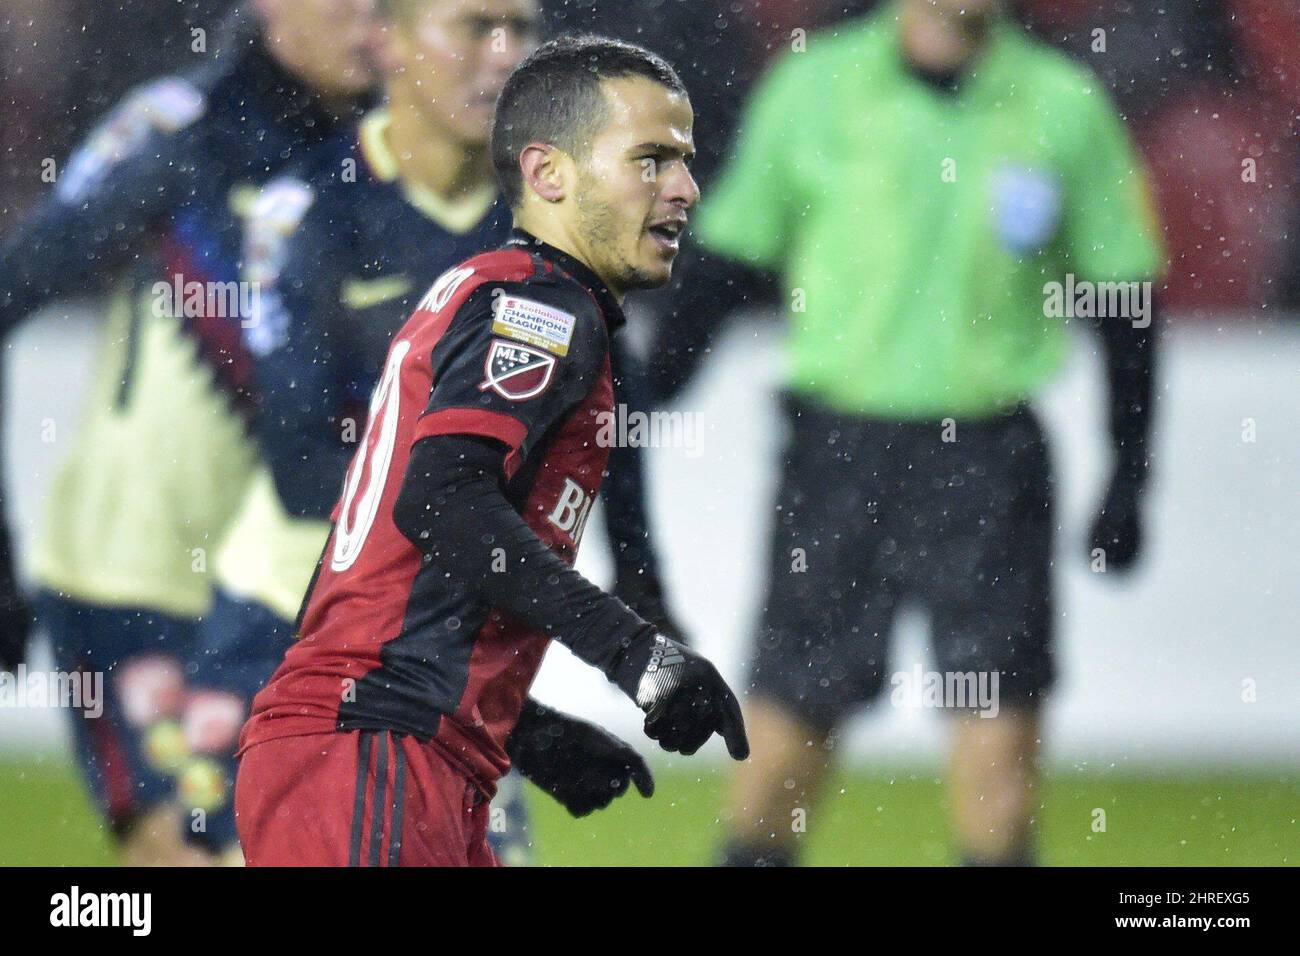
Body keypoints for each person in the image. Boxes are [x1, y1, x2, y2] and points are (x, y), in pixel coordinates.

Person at [662, 0, 1162, 866]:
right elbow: (725, 259)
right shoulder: (816, 86)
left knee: (999, 764)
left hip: (989, 456)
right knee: (783, 748)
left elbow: (1127, 301)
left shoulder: (1060, 102)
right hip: (837, 452)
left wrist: (1131, 477)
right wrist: (642, 396)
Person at [234, 34, 748, 867]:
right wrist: (638, 655)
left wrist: (528, 735)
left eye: (685, 161)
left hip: (386, 748)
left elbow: (383, 579)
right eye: (650, 160)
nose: (685, 189)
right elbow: (441, 504)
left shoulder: (499, 293)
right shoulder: (541, 310)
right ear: (549, 174)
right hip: (375, 757)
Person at [0, 0, 378, 865]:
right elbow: (9, 291)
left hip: (288, 575)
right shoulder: (177, 130)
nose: (369, 17)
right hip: (136, 573)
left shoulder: (391, 160)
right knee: (186, 855)